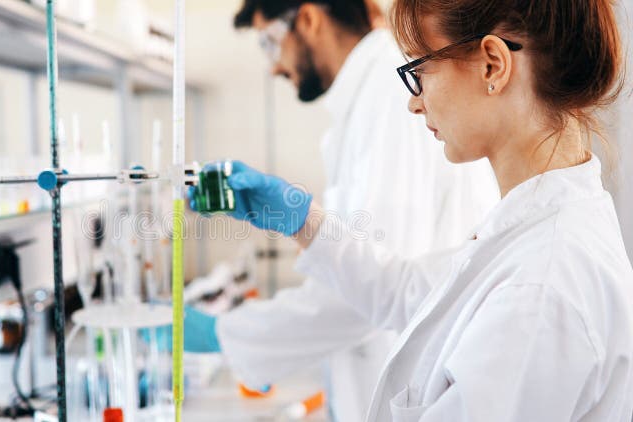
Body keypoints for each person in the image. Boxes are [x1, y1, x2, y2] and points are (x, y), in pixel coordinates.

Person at [214, 0, 633, 420]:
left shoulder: (542, 288)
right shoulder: (532, 228)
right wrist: (304, 223)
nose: (414, 104)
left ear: (492, 65)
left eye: (420, 72)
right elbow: (408, 292)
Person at [182, 0, 497, 420]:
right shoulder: (366, 97)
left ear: (308, 19)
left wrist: (224, 333)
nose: (273, 67)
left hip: (413, 388)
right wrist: (301, 224)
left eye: (269, 43)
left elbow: (371, 291)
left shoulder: (389, 91)